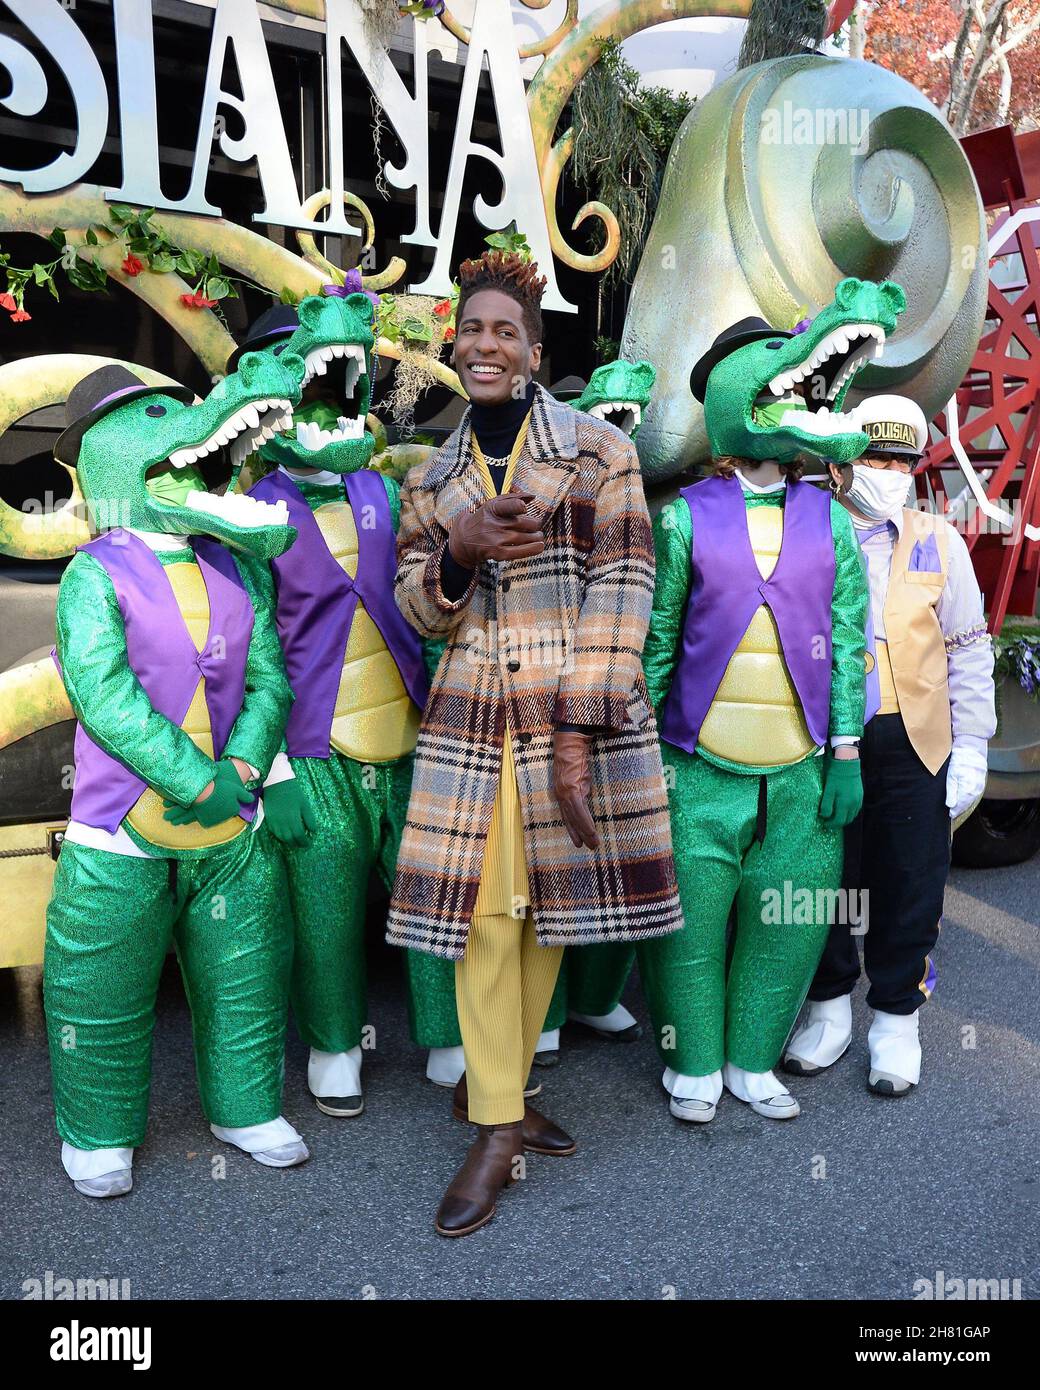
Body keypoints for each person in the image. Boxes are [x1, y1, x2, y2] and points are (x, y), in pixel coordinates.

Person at [386, 249, 682, 1237]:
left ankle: (503, 1096)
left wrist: (572, 736)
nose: (483, 343)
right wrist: (458, 553)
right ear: (451, 344)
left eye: (503, 330)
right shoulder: (428, 476)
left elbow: (625, 587)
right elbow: (415, 609)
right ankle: (497, 1120)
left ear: (532, 349)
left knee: (549, 911)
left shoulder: (599, 449)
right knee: (479, 919)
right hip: (471, 725)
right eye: (469, 329)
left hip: (571, 717)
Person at [44, 361, 309, 1198]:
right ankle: (97, 1130)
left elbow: (269, 679)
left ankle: (246, 1105)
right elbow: (105, 696)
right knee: (103, 979)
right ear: (102, 456)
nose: (188, 428)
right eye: (160, 416)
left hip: (234, 823)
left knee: (247, 968)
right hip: (120, 823)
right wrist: (197, 779)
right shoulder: (93, 574)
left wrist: (245, 767)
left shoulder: (237, 566)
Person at [640, 279, 902, 1124]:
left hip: (801, 773)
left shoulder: (830, 522)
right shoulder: (682, 518)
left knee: (788, 921)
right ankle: (694, 1063)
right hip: (696, 765)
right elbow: (657, 642)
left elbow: (850, 639)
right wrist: (637, 752)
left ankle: (754, 1059)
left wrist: (848, 751)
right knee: (689, 923)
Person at [240, 286, 463, 1118]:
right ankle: (336, 1044)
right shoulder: (252, 514)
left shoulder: (375, 490)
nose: (330, 402)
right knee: (326, 909)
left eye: (341, 386)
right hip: (316, 748)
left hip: (406, 734)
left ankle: (446, 1032)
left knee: (431, 890)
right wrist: (268, 773)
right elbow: (250, 652)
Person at [784, 395, 996, 1095]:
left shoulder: (941, 537)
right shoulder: (804, 528)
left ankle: (897, 1019)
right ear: (842, 464)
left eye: (903, 460)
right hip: (823, 738)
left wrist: (973, 745)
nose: (890, 472)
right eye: (876, 457)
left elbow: (968, 648)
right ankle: (828, 1008)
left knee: (910, 877)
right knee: (828, 879)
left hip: (915, 738)